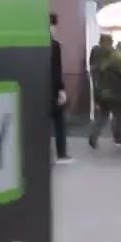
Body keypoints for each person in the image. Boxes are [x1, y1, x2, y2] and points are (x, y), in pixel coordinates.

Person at [87, 35, 121, 148]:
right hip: (115, 90)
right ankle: (118, 137)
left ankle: (93, 135)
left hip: (101, 90)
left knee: (102, 115)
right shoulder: (116, 56)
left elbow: (93, 72)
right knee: (118, 115)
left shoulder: (95, 53)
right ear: (110, 42)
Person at [49, 14, 71, 164]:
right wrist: (61, 90)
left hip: (39, 90)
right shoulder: (54, 45)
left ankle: (46, 155)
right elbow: (57, 70)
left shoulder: (34, 46)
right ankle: (61, 154)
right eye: (54, 26)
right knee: (59, 122)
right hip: (52, 90)